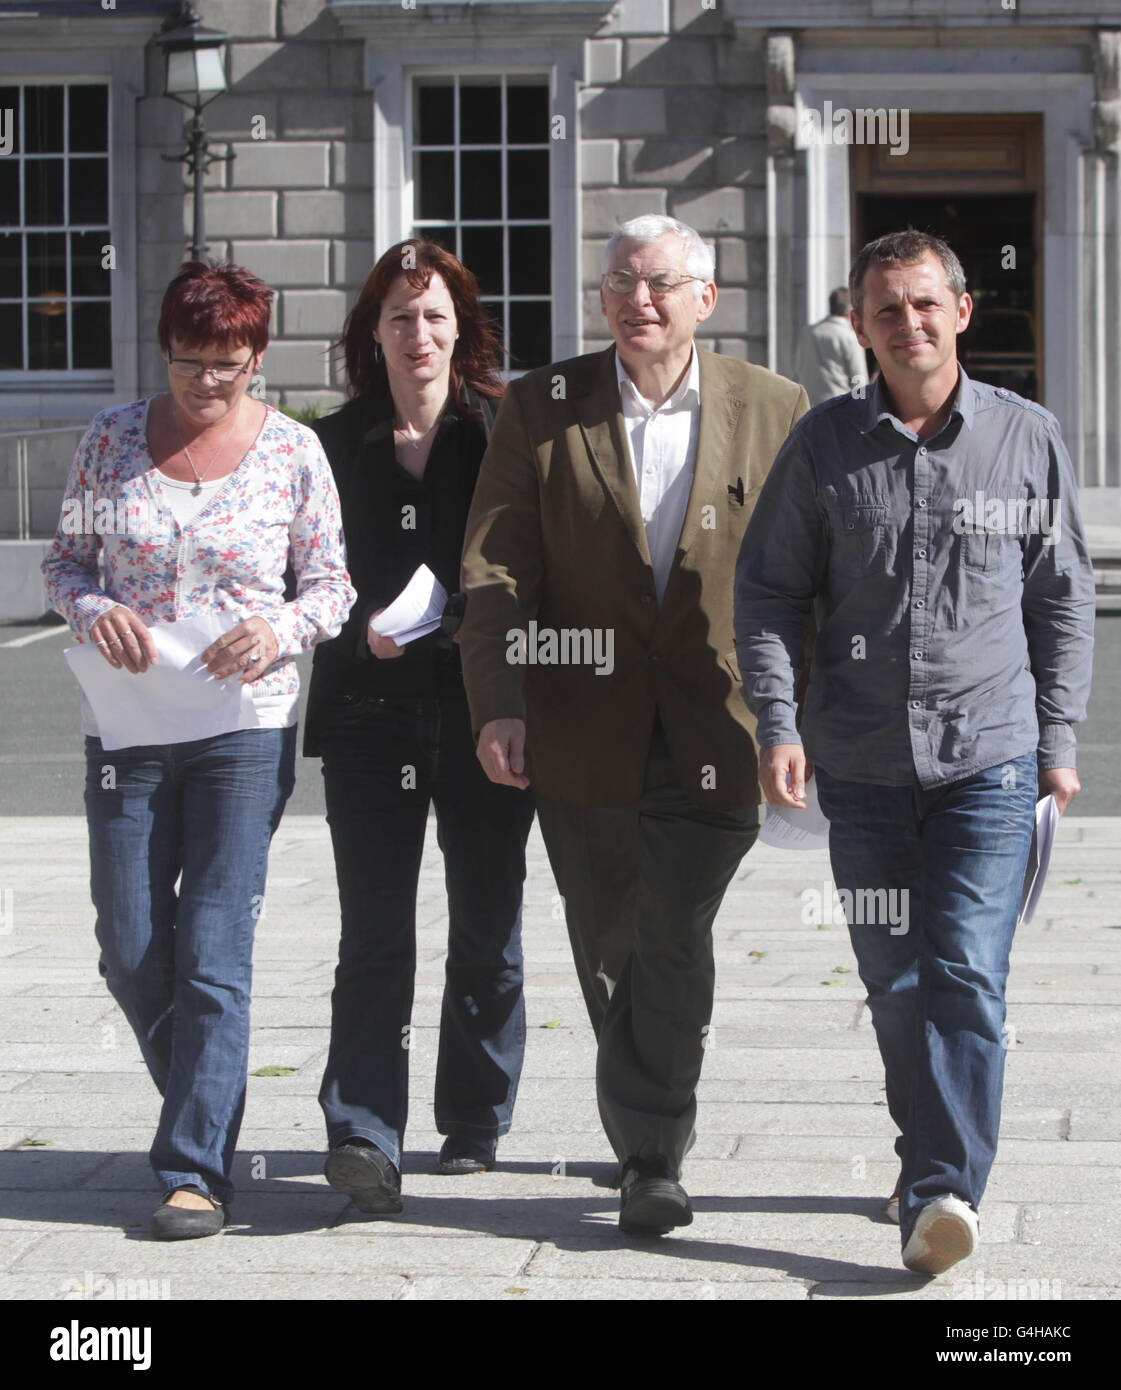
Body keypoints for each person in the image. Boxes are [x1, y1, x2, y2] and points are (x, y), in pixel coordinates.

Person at [734, 230, 1095, 1275]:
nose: (908, 324)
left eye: (925, 303)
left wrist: (1057, 739)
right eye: (885, 308)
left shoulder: (1024, 437)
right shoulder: (822, 445)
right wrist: (777, 722)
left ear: (961, 310)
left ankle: (942, 1189)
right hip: (861, 764)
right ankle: (926, 1154)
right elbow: (767, 592)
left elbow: (1060, 596)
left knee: (965, 972)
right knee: (894, 981)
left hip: (990, 756)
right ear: (858, 324)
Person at [459, 214, 808, 1234]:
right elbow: (497, 567)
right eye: (617, 283)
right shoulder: (541, 406)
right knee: (609, 940)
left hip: (720, 722)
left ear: (704, 298)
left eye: (656, 284)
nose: (635, 301)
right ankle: (644, 1136)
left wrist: (804, 714)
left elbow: (806, 572)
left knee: (673, 932)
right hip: (580, 724)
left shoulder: (773, 406)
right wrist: (500, 701)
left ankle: (651, 1154)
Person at [41, 260, 355, 1239]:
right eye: (186, 361)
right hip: (127, 727)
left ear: (256, 356)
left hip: (243, 727)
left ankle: (194, 1170)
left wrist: (279, 628)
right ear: (163, 353)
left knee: (214, 949)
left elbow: (332, 586)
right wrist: (92, 609)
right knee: (132, 945)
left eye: (225, 364)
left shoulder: (293, 451)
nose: (204, 382)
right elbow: (64, 563)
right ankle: (204, 1097)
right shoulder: (109, 441)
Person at [305, 240, 535, 1214]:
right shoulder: (330, 443)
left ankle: (473, 1119)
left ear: (461, 329)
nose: (418, 333)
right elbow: (300, 576)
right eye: (399, 317)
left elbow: (534, 563)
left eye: (435, 315)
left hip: (484, 713)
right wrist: (358, 630)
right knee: (373, 932)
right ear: (373, 333)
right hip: (369, 715)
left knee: (486, 923)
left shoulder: (502, 430)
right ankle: (363, 1131)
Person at [794, 286, 868, 405]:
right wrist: (862, 406)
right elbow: (858, 378)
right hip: (838, 405)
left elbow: (798, 370)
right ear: (851, 310)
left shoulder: (807, 333)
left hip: (808, 404)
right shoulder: (849, 337)